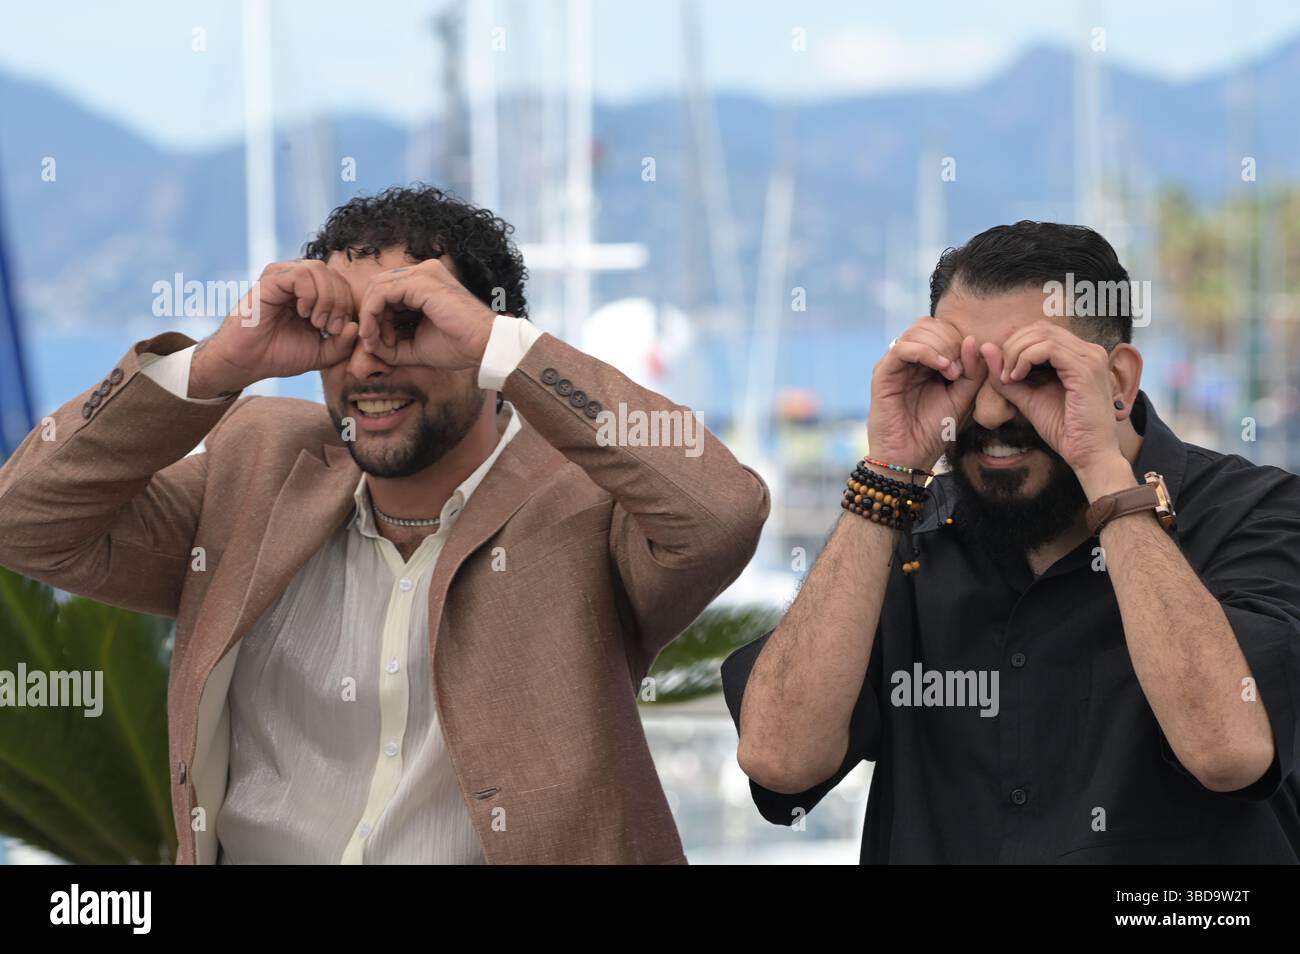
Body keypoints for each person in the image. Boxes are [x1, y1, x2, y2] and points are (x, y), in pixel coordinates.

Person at [0, 184, 769, 864]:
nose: (368, 362)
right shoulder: (257, 470)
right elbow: (25, 521)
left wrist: (501, 348)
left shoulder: (586, 502)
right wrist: (214, 365)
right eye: (340, 329)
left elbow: (721, 512)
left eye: (408, 323)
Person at [724, 221, 1300, 863]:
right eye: (963, 375)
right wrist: (888, 470)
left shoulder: (1261, 514)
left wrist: (1100, 468)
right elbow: (780, 760)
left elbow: (1230, 751)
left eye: (1037, 373)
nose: (995, 413)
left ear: (1118, 382)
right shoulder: (906, 537)